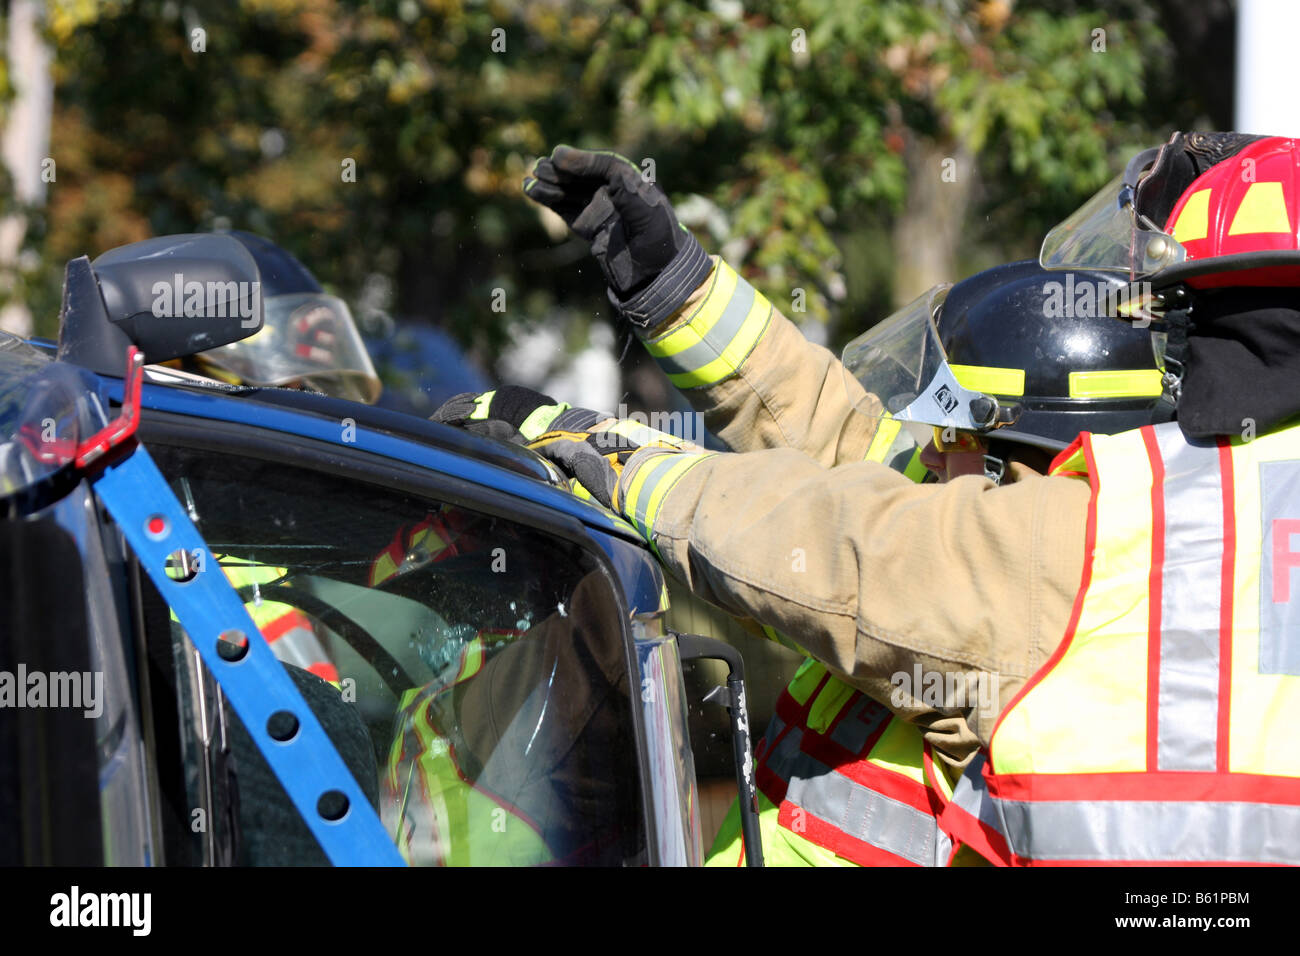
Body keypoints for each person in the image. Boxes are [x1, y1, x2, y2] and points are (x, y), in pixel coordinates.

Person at [477, 133, 1300, 865]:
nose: (1136, 307)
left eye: (1164, 295)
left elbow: (846, 541)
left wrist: (609, 452)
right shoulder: (1186, 497)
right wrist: (678, 291)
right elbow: (863, 463)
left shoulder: (1104, 530)